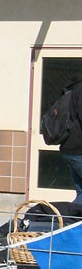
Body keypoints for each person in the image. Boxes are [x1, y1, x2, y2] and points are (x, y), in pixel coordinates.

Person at [59, 75, 82, 204]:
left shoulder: (73, 88)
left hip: (70, 147)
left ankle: (72, 220)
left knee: (81, 192)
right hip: (79, 149)